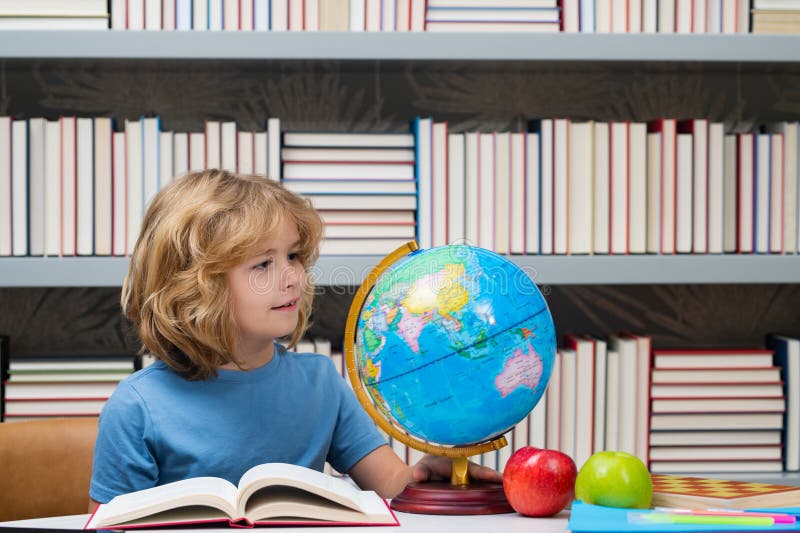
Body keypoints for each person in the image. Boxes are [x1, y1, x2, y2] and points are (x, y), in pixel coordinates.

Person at [89, 169, 501, 511]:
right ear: (198, 287)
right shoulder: (136, 408)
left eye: (294, 256)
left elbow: (392, 486)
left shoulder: (321, 384)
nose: (292, 278)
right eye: (264, 263)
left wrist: (426, 475)